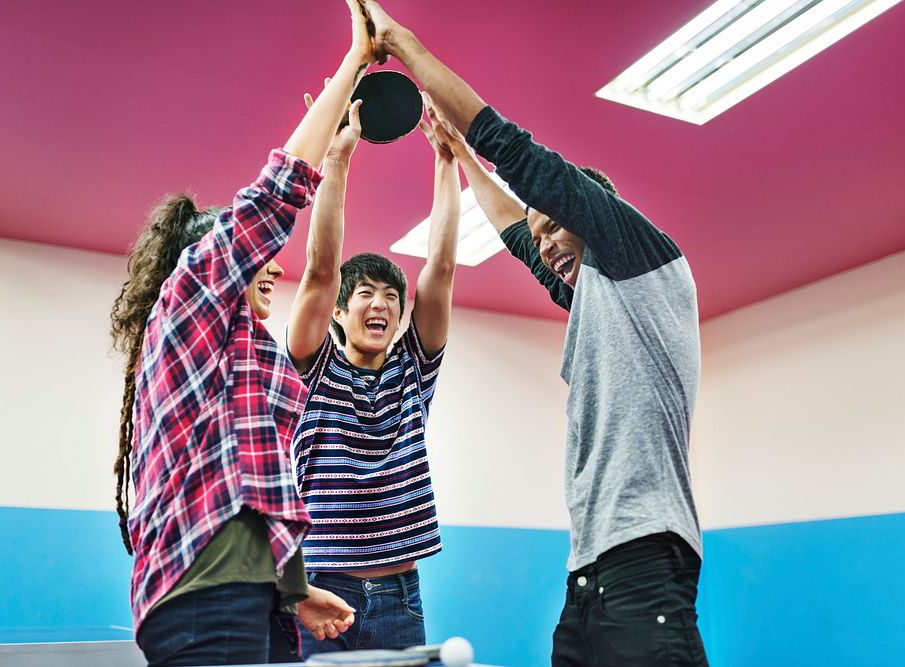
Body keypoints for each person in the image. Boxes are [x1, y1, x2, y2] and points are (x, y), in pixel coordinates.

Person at [365, 3, 709, 665]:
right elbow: (520, 237)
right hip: (589, 573)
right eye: (545, 232)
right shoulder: (596, 303)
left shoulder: (643, 262)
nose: (548, 244)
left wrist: (406, 48)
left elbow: (522, 156)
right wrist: (458, 156)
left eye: (559, 225)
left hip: (646, 560)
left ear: (595, 216)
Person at [108, 2, 379, 663]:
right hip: (204, 597)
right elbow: (273, 199)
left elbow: (249, 482)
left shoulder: (246, 360)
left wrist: (291, 588)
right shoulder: (192, 289)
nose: (273, 264)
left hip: (247, 598)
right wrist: (352, 65)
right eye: (256, 256)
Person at [285, 89, 460, 653]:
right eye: (364, 293)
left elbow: (441, 268)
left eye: (391, 295)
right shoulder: (314, 367)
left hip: (401, 598)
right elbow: (317, 272)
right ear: (340, 309)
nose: (380, 304)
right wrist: (336, 160)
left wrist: (446, 161)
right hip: (321, 594)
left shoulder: (413, 369)